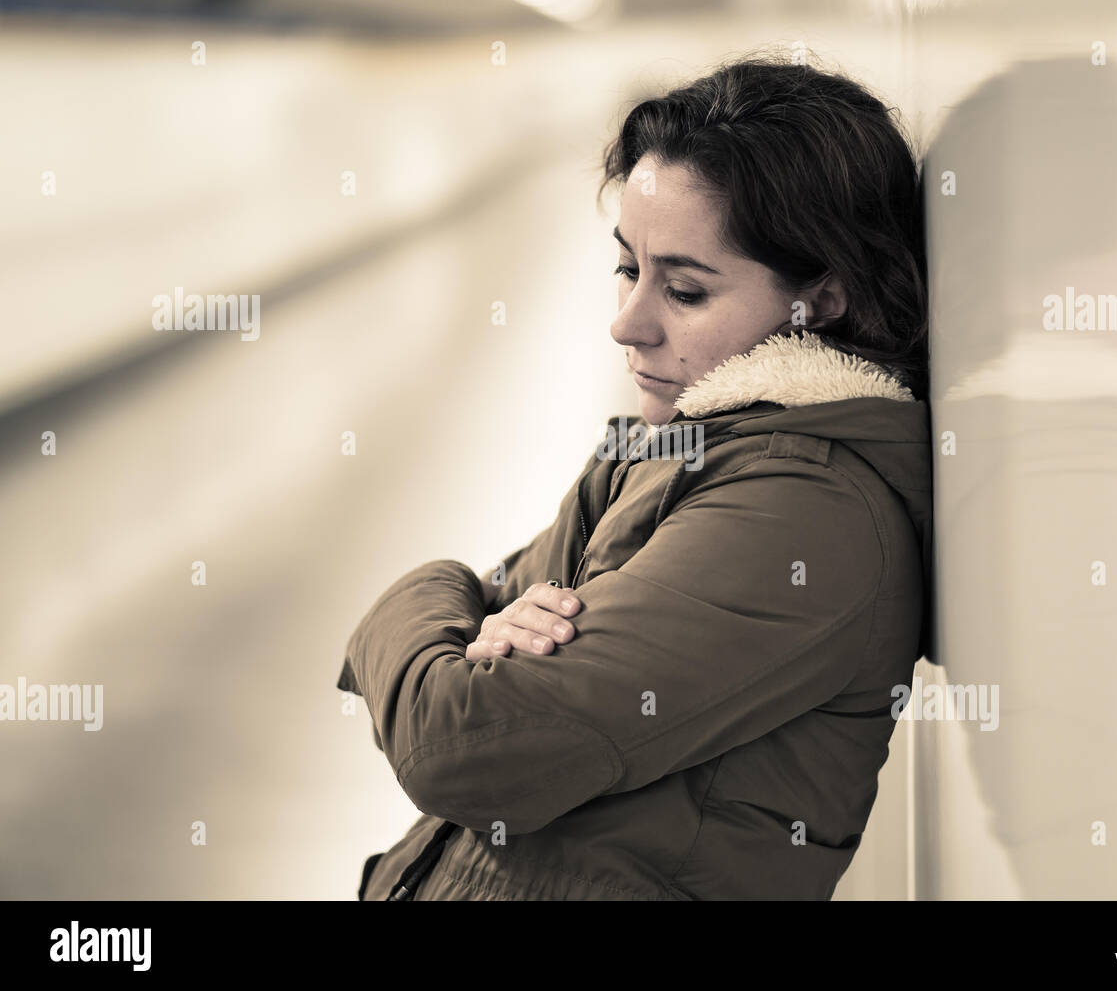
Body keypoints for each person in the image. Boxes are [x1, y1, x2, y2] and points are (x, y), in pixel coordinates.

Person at [338, 50, 934, 900]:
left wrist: (420, 590)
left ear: (824, 299)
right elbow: (481, 634)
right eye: (629, 268)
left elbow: (464, 747)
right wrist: (466, 628)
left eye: (684, 292)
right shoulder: (666, 452)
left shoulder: (806, 511)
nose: (627, 324)